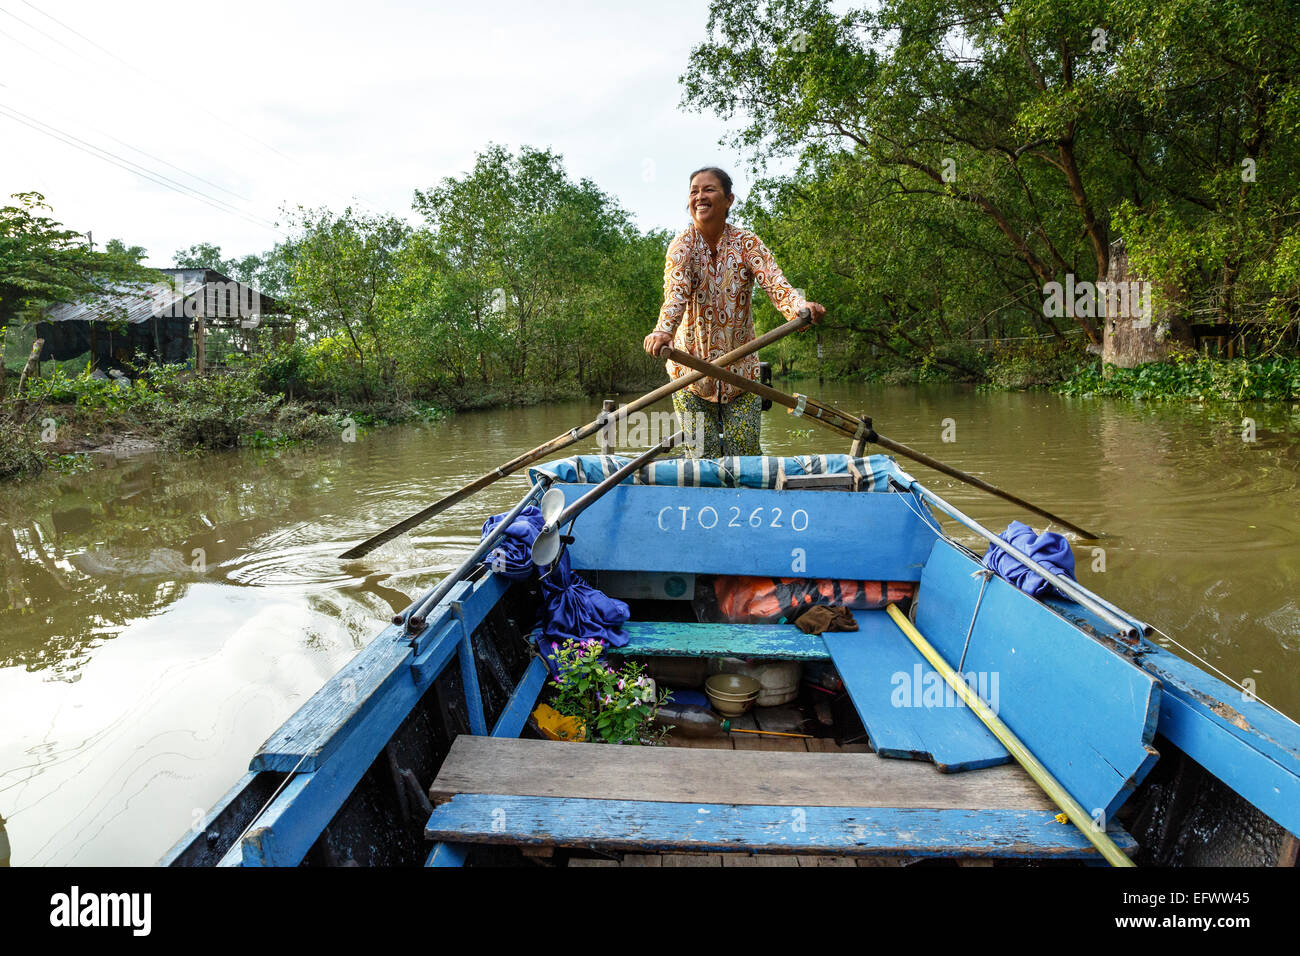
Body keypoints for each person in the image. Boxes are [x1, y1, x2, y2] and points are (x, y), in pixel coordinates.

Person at [642, 166, 825, 458]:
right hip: (690, 376)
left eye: (708, 189)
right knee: (704, 461)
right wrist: (663, 330)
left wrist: (800, 308)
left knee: (745, 459)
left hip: (742, 378)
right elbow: (674, 296)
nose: (700, 196)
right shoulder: (682, 247)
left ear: (729, 200)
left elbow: (776, 282)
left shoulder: (746, 243)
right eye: (694, 191)